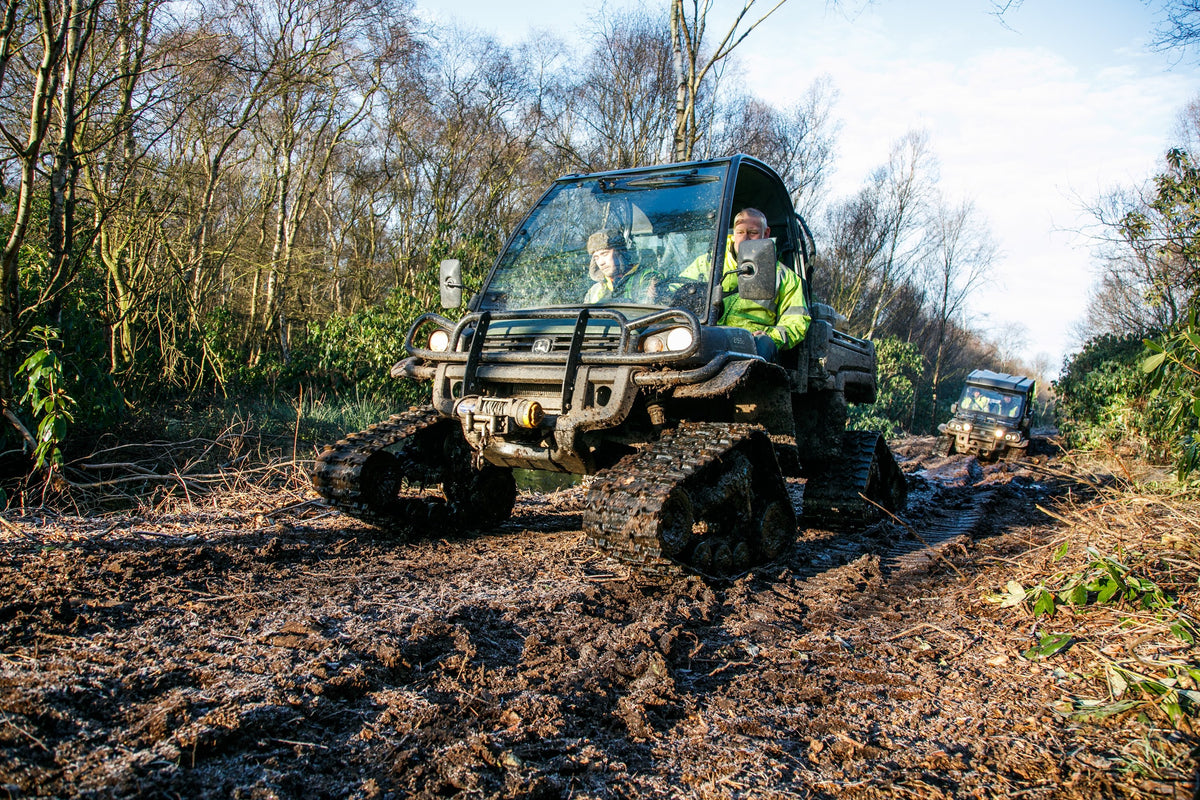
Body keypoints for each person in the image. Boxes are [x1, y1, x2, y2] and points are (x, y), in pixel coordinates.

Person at [680, 208, 808, 362]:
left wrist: (770, 336)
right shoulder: (707, 264)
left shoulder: (784, 276)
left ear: (766, 233)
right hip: (709, 337)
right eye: (740, 232)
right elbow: (677, 292)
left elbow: (797, 320)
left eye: (752, 232)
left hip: (752, 344)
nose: (745, 238)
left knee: (765, 345)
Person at [583, 229, 661, 304]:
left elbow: (645, 311)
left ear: (620, 253)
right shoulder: (594, 291)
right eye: (596, 257)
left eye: (604, 254)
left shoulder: (647, 278)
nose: (601, 262)